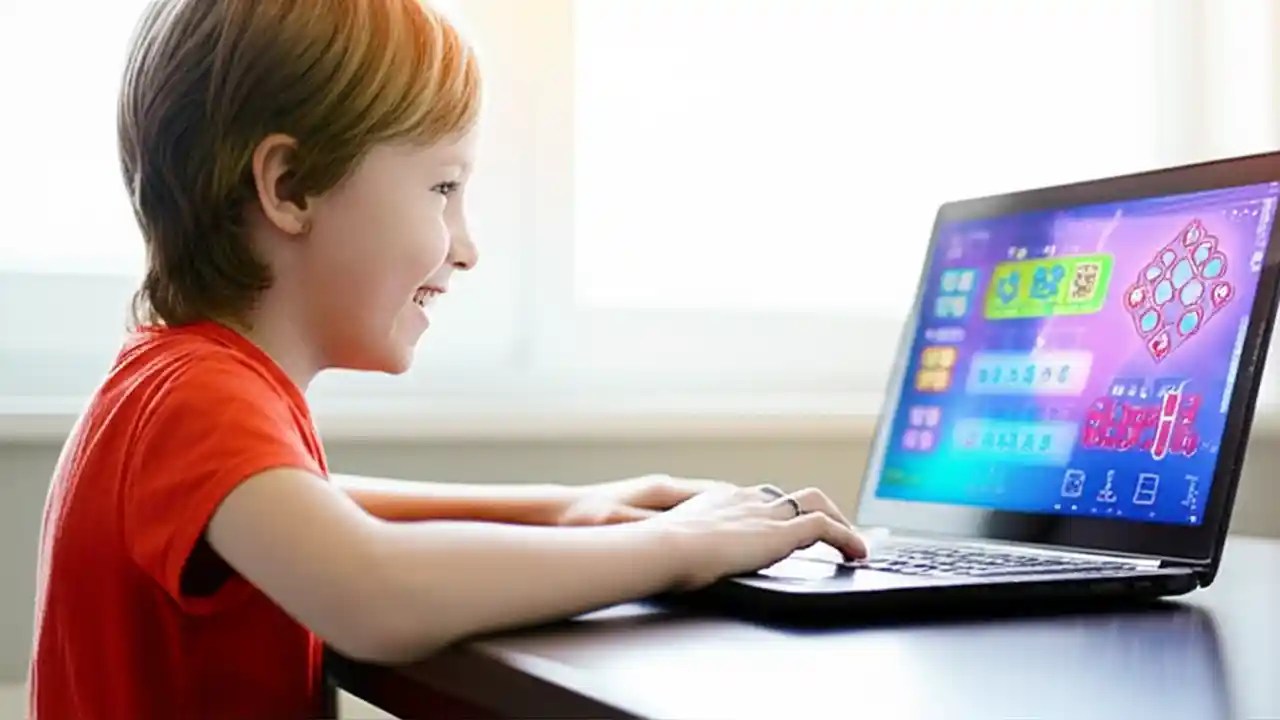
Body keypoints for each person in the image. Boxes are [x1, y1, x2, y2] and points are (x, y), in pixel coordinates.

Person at [27, 1, 867, 717]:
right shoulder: (195, 397)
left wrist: (585, 506)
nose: (465, 249)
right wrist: (679, 548)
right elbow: (371, 588)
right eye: (442, 189)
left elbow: (332, 511)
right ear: (290, 188)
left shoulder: (170, 385)